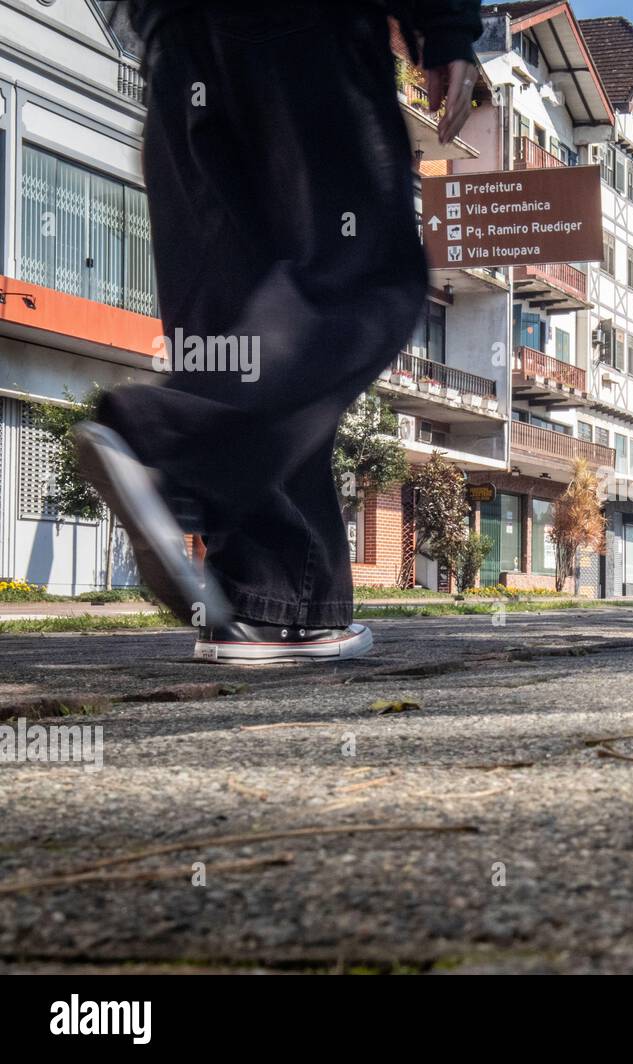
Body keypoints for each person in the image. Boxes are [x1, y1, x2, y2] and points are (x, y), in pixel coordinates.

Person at [73, 0, 482, 662]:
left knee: (246, 323)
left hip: (173, 42)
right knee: (369, 274)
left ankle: (278, 603)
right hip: (301, 32)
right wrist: (447, 27)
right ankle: (165, 445)